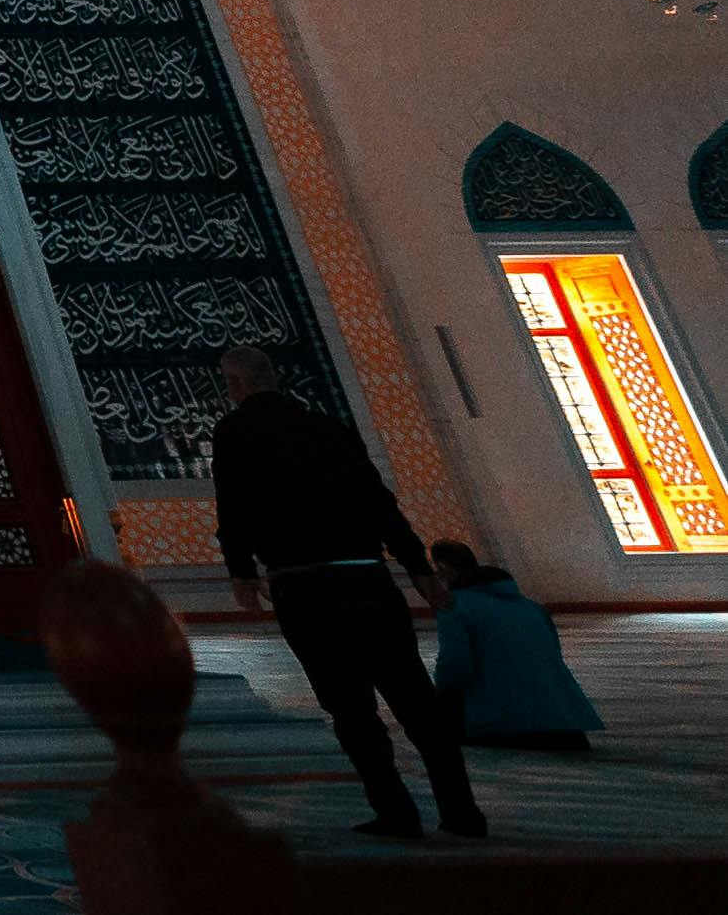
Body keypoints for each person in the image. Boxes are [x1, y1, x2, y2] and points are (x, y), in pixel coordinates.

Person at [211, 341, 486, 840]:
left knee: (350, 708)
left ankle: (396, 812)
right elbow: (378, 500)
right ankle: (462, 811)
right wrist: (415, 566)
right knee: (413, 698)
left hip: (304, 587)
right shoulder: (327, 426)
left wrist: (240, 570)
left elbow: (234, 505)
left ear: (236, 385)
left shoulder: (235, 431)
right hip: (367, 579)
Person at [428, 541, 602, 752]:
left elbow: (455, 666)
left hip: (501, 715)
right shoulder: (531, 606)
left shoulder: (454, 605)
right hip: (562, 716)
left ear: (444, 569)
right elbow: (554, 654)